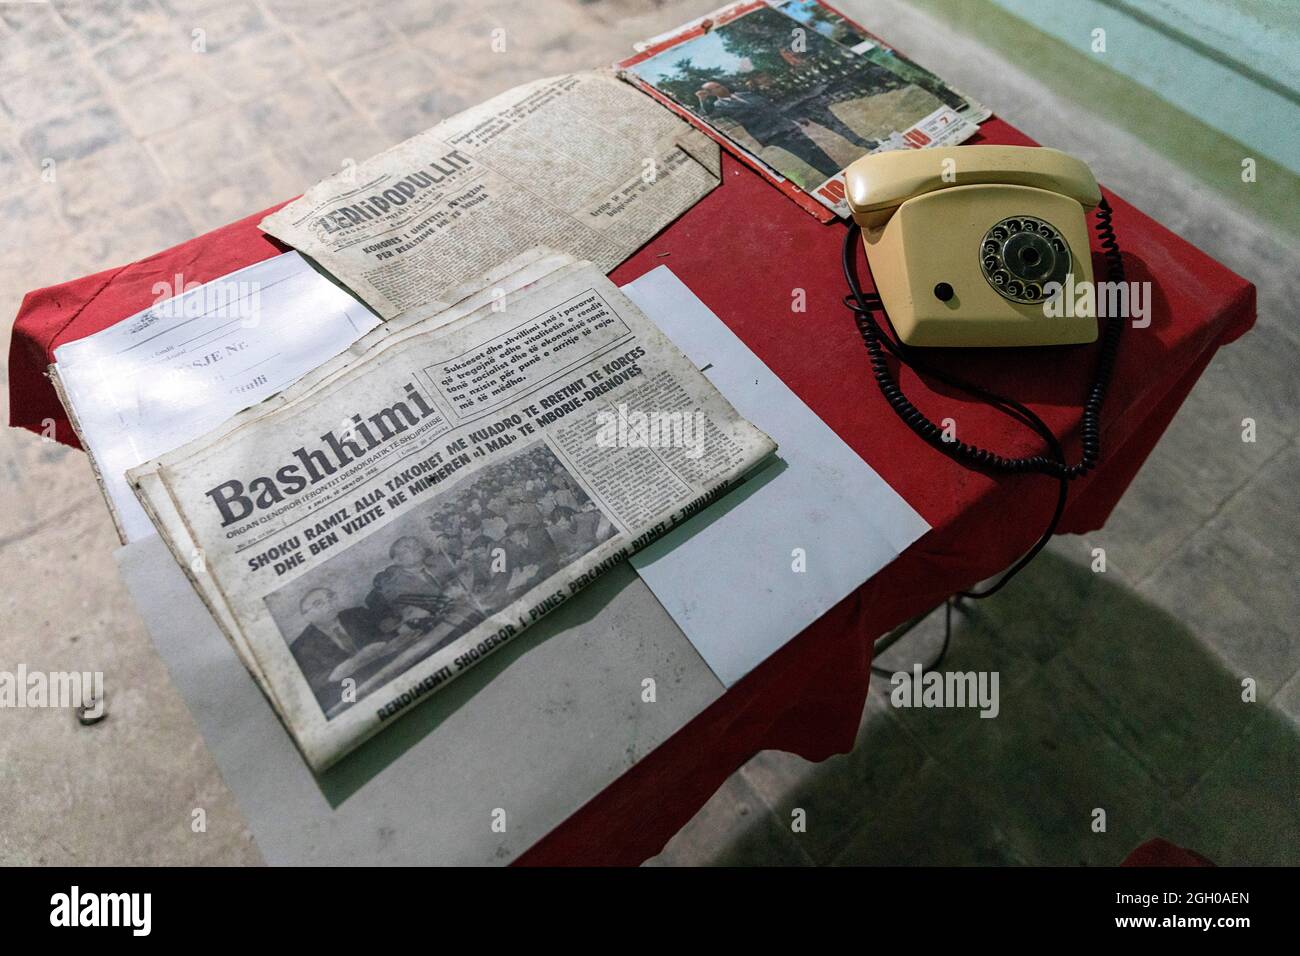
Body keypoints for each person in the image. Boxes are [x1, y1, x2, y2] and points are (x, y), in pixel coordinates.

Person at [693, 80, 869, 179]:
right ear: (711, 93)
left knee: (816, 149)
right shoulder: (719, 106)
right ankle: (835, 176)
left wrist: (795, 118)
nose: (719, 88)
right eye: (713, 88)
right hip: (772, 135)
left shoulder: (745, 94)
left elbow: (773, 107)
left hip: (786, 126)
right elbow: (707, 116)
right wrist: (702, 101)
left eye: (718, 85)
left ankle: (838, 172)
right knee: (807, 156)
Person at [290, 588, 391, 712]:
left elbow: (387, 632)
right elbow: (315, 682)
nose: (329, 604)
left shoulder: (357, 614)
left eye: (331, 597)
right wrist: (357, 660)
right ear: (307, 616)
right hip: (350, 696)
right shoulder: (300, 647)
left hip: (386, 669)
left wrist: (383, 642)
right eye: (319, 604)